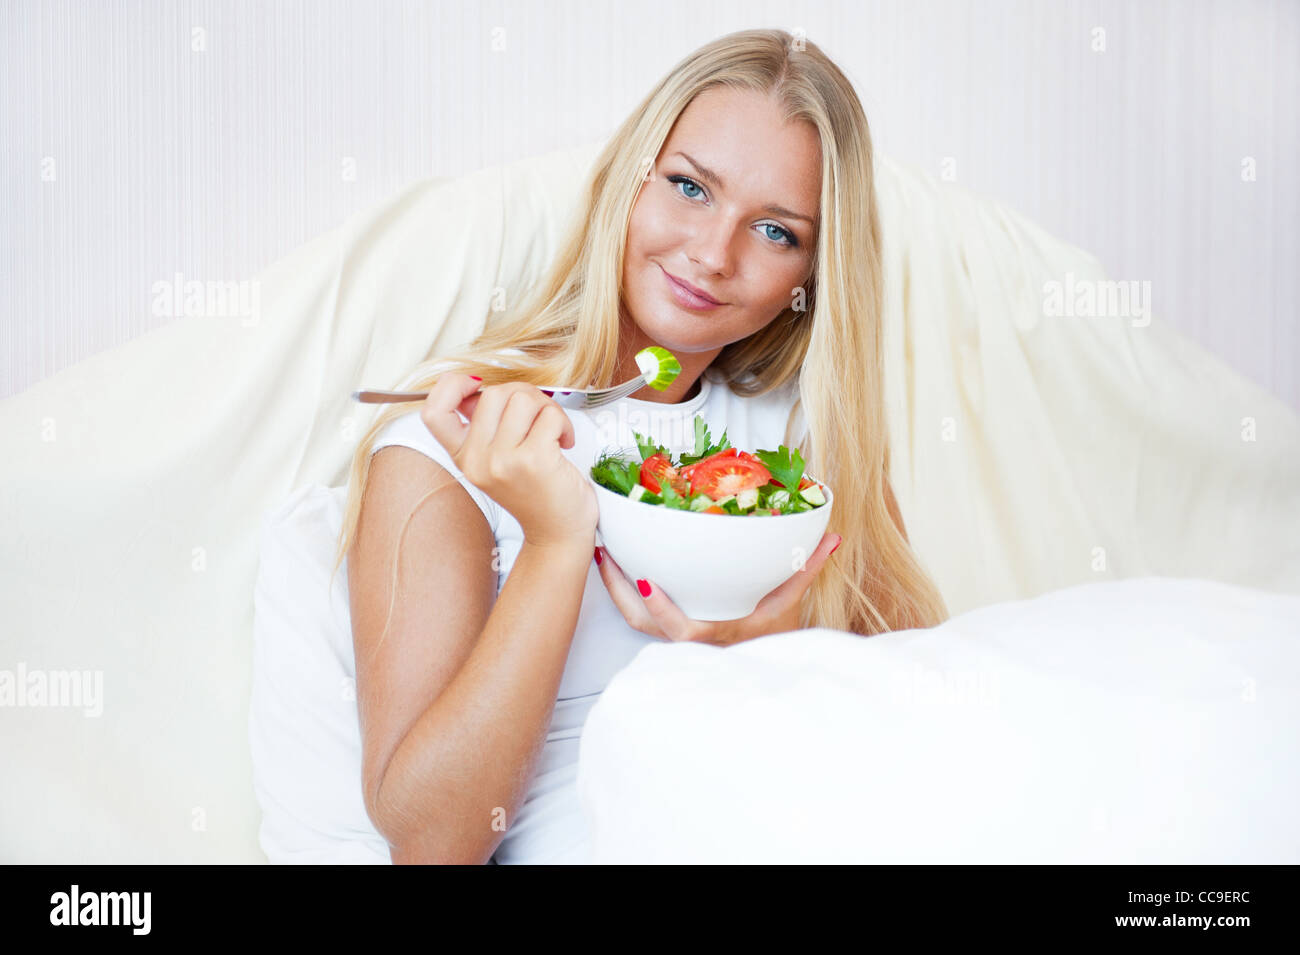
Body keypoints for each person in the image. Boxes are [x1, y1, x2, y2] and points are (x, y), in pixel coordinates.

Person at [330, 28, 949, 865]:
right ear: (631, 181)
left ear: (812, 276)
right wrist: (555, 542)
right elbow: (433, 844)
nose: (712, 253)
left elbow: (931, 732)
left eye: (776, 232)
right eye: (690, 187)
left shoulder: (801, 441)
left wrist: (776, 655)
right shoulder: (454, 446)